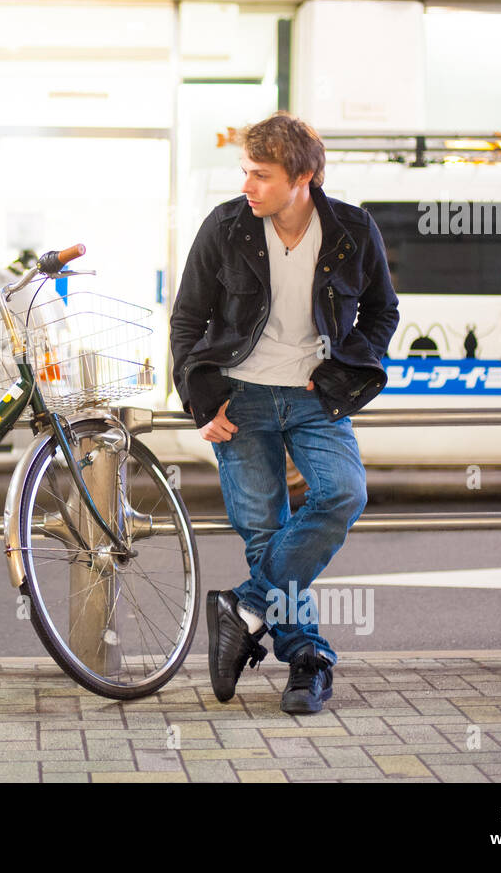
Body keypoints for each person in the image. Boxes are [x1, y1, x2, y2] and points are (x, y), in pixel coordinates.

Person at [170, 112, 399, 714]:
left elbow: (382, 312)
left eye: (261, 176)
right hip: (237, 398)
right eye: (246, 172)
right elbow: (188, 320)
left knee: (343, 494)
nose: (247, 186)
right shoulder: (225, 226)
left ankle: (244, 608)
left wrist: (347, 371)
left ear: (303, 177)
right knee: (265, 533)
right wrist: (198, 403)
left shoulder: (351, 228)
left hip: (315, 396)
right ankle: (306, 662)